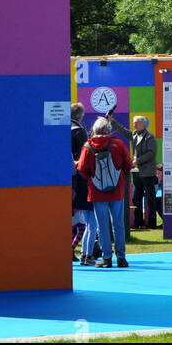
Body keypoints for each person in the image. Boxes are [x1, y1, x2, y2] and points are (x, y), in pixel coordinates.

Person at [77, 116, 133, 268]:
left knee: (102, 226)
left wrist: (92, 178)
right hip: (117, 191)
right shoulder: (118, 144)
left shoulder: (88, 146)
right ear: (108, 129)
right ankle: (121, 258)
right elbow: (128, 166)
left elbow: (82, 170)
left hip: (96, 192)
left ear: (94, 130)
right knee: (118, 224)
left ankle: (107, 258)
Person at [70, 103, 98, 265]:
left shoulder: (63, 129)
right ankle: (78, 251)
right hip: (79, 180)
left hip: (64, 180)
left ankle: (74, 250)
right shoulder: (79, 131)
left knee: (75, 219)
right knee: (84, 222)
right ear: (81, 116)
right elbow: (84, 159)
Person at [129, 116, 158, 229]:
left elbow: (152, 153)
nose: (133, 125)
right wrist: (112, 121)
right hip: (136, 172)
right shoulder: (134, 134)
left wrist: (138, 161)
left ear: (143, 124)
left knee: (150, 199)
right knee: (136, 198)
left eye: (135, 123)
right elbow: (122, 130)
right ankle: (138, 223)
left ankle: (152, 223)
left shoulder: (150, 137)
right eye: (133, 123)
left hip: (148, 173)